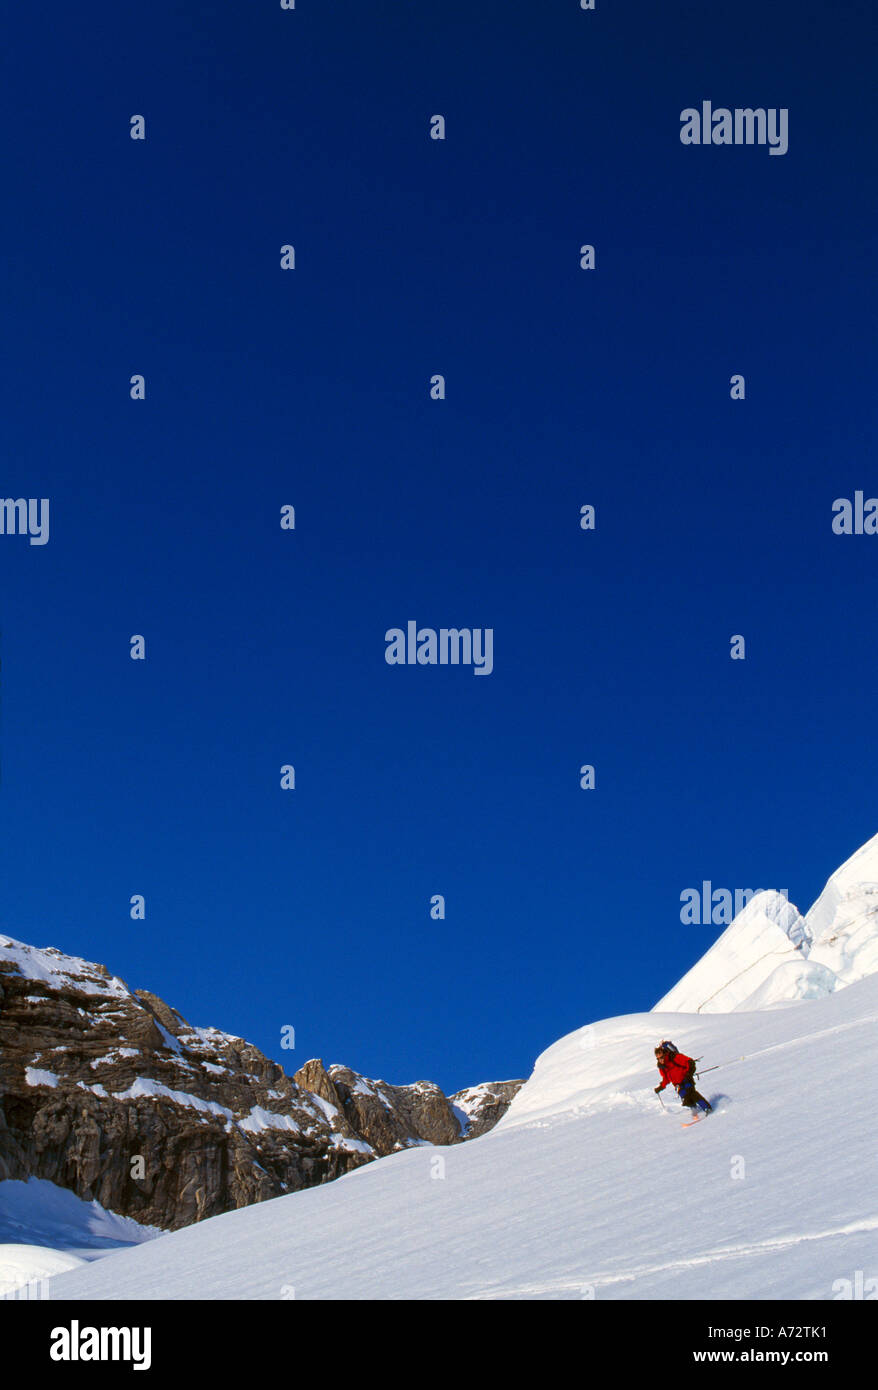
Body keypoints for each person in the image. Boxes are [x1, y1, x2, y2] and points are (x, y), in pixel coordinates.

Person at [654, 1041, 712, 1114]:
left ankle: (707, 1108)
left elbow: (690, 1062)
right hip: (678, 1084)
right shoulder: (662, 1067)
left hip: (686, 1079)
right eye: (658, 1058)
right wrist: (660, 1087)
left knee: (691, 1093)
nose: (660, 1060)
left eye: (661, 1057)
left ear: (665, 1053)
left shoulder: (674, 1057)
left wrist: (689, 1074)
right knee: (685, 1097)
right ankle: (695, 1110)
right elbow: (666, 1079)